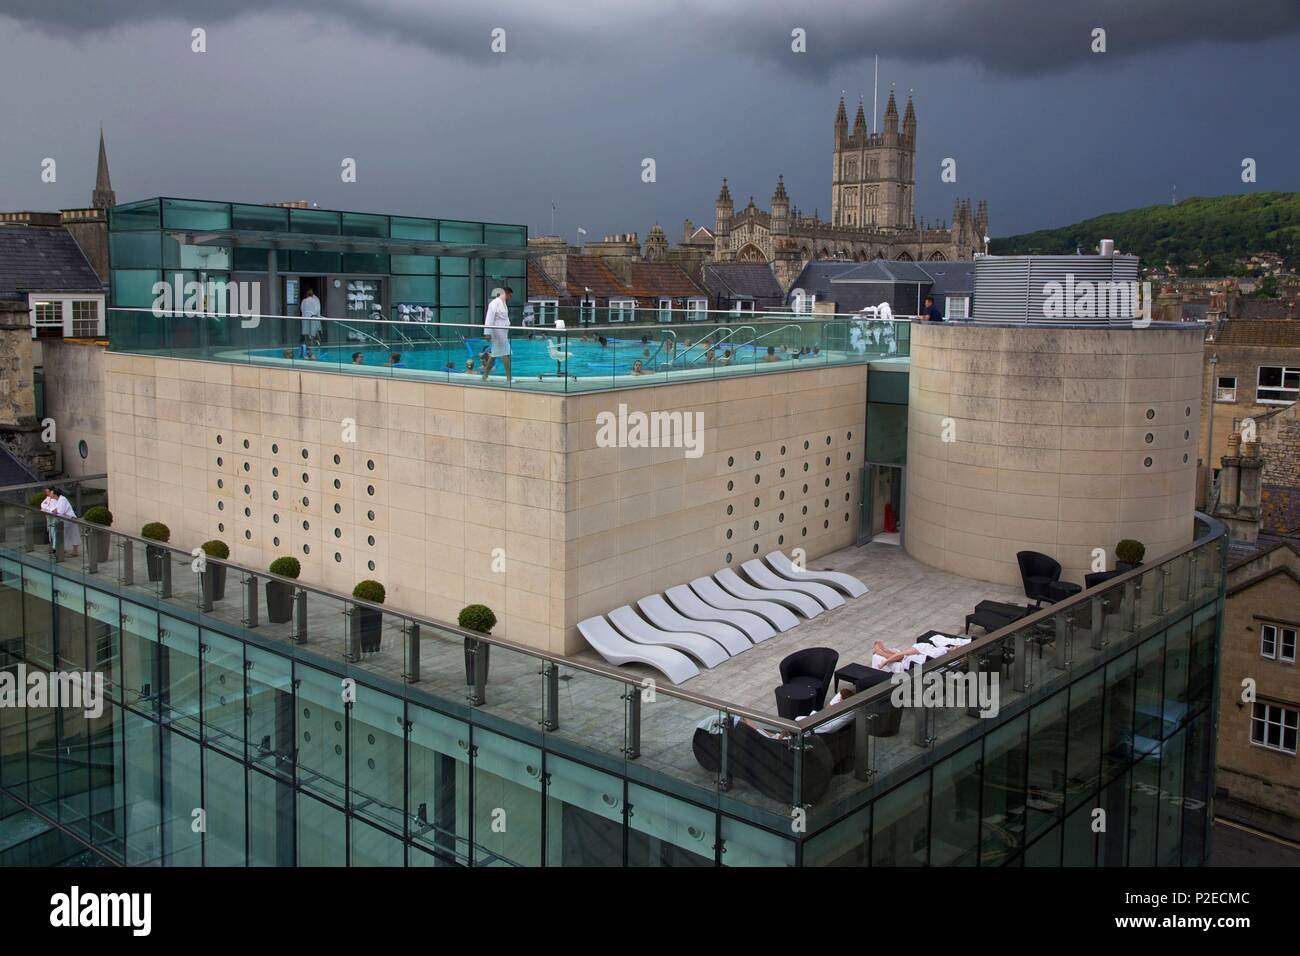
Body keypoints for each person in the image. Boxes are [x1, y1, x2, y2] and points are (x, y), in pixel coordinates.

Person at [482, 286, 513, 384]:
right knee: (505, 353)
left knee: (494, 355)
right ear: (506, 293)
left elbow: (504, 318)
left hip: (503, 331)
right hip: (497, 332)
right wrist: (487, 333)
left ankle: (485, 375)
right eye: (510, 296)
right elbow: (489, 318)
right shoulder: (494, 303)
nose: (510, 298)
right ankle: (509, 378)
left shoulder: (504, 304)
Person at [41, 486, 80, 556]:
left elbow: (60, 511)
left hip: (71, 518)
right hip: (63, 520)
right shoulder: (56, 499)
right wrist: (53, 509)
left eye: (51, 493)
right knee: (63, 534)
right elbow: (45, 506)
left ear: (55, 494)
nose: (49, 494)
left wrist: (54, 509)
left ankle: (75, 551)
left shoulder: (62, 499)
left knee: (73, 534)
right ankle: (62, 549)